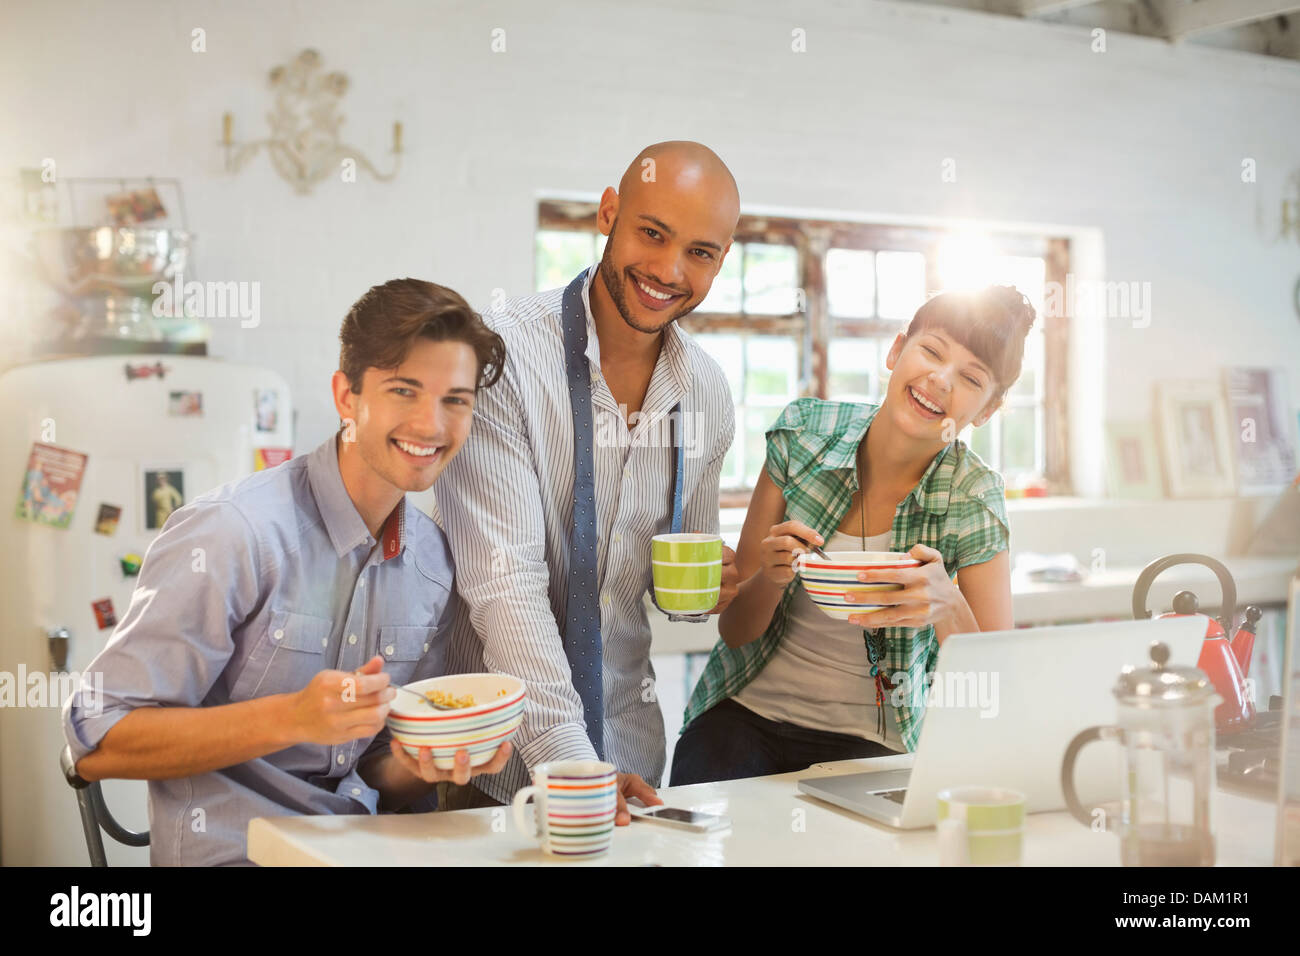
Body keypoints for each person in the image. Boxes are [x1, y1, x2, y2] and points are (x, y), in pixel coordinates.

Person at [62, 279, 513, 865]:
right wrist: (290, 718)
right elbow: (96, 737)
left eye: (456, 399)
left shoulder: (432, 563)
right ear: (346, 397)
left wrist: (426, 763)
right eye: (404, 391)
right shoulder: (234, 532)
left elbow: (376, 766)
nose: (431, 424)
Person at [435, 141, 742, 821]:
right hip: (490, 765)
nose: (667, 270)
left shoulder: (708, 395)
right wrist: (572, 764)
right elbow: (504, 585)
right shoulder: (503, 357)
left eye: (700, 252)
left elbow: (668, 590)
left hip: (631, 758)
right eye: (652, 234)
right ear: (610, 214)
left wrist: (713, 587)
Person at [671, 286, 1034, 785]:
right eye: (931, 351)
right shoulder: (804, 437)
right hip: (744, 715)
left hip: (872, 743)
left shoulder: (974, 499)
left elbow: (993, 683)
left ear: (988, 410)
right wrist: (771, 578)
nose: (941, 380)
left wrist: (948, 606)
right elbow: (734, 631)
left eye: (971, 378)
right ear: (896, 349)